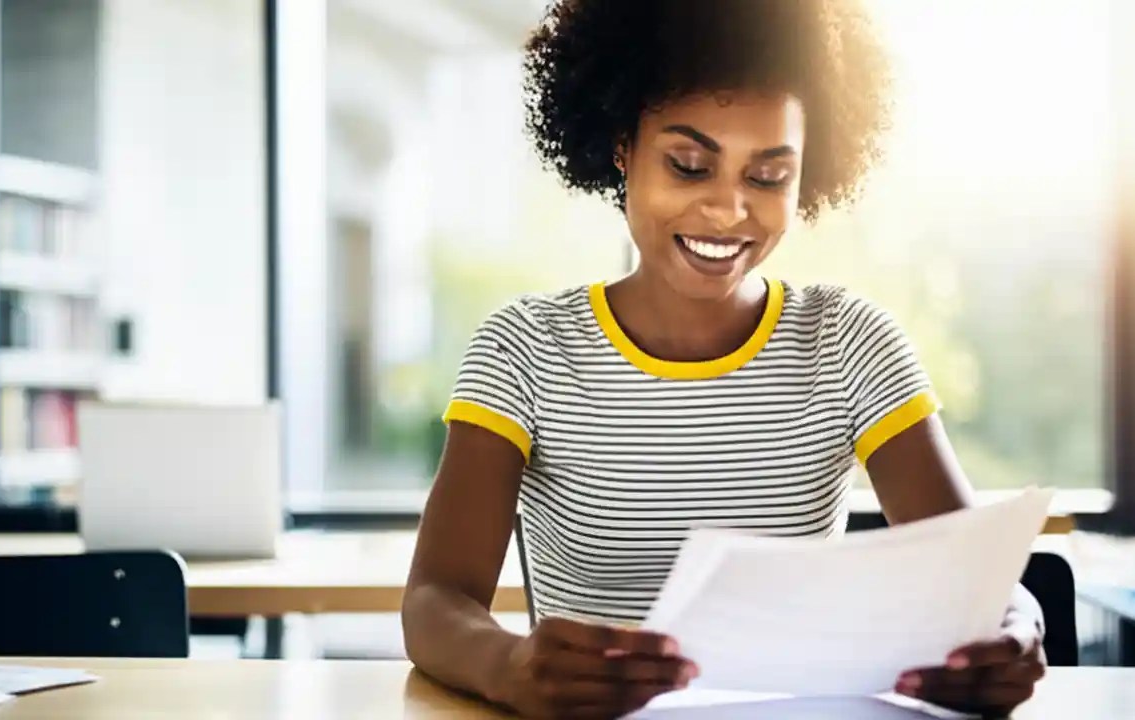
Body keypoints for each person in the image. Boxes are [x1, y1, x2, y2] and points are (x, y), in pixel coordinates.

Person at [402, 1, 1047, 718]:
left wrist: (1016, 625)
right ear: (623, 147)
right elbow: (435, 599)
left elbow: (975, 576)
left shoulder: (849, 342)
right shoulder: (524, 349)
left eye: (767, 177)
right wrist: (508, 664)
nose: (728, 209)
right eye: (688, 165)